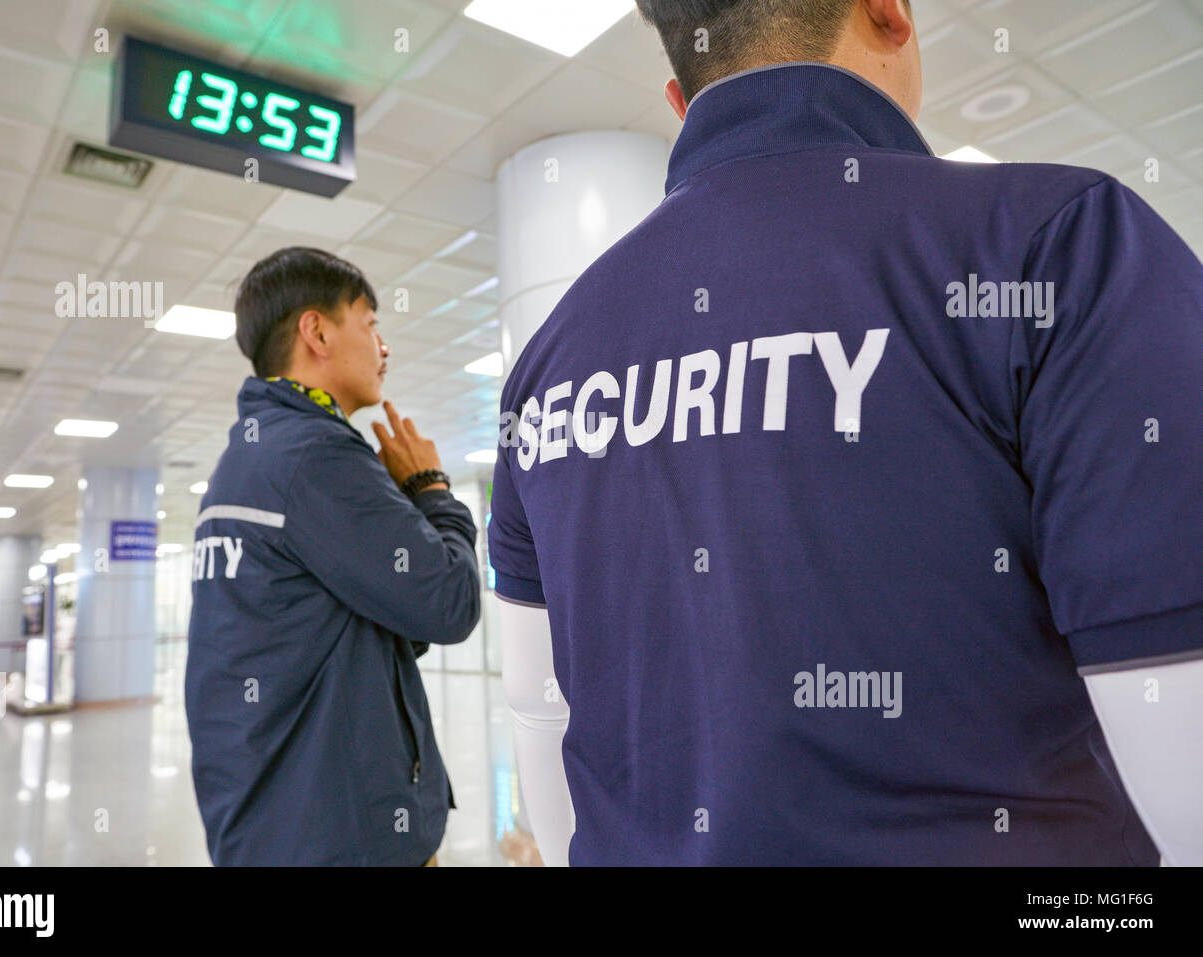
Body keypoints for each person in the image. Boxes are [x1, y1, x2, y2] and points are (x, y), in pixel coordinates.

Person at [489, 0, 1203, 865]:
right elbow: (1178, 712)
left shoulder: (546, 369)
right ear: (889, 14)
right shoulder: (1057, 246)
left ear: (680, 99)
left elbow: (538, 707)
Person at [185, 247, 482, 866]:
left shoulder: (245, 459)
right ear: (317, 331)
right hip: (342, 839)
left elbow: (366, 621)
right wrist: (431, 489)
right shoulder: (315, 457)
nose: (384, 346)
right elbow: (450, 603)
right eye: (371, 323)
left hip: (277, 825)